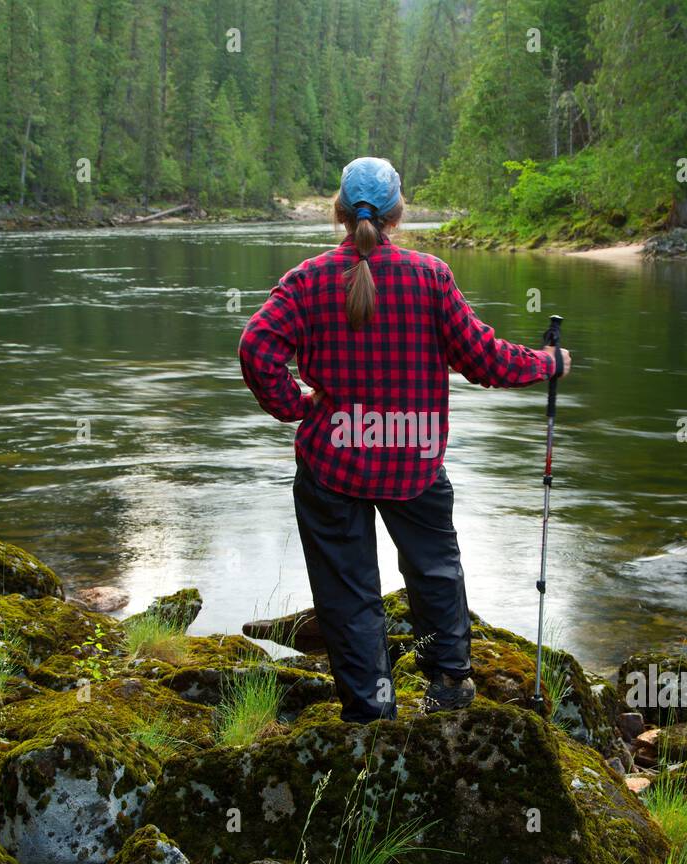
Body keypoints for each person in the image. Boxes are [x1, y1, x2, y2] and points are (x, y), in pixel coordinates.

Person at [238, 156, 571, 723]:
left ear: (340, 213)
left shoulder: (306, 280)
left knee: (349, 591)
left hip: (332, 461)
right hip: (413, 460)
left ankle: (372, 710)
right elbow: (484, 360)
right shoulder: (430, 276)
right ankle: (448, 684)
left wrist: (297, 405)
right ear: (397, 214)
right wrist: (547, 362)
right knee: (434, 568)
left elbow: (256, 349)